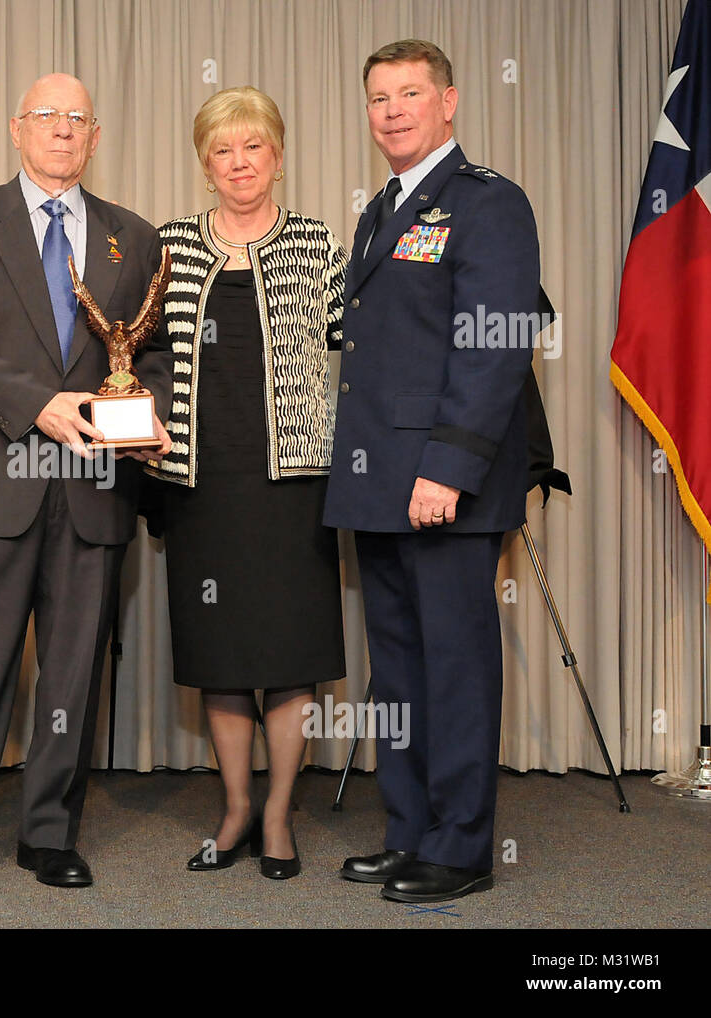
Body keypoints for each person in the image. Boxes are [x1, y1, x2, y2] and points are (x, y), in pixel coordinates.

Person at [0, 72, 172, 896]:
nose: (62, 130)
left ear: (94, 137)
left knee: (71, 670)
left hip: (94, 485)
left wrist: (151, 414)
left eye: (77, 119)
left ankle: (50, 831)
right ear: (16, 129)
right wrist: (38, 406)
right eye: (47, 116)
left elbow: (150, 350)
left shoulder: (135, 235)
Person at [324, 39, 540, 903]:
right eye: (379, 98)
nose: (393, 111)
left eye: (410, 94)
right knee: (401, 670)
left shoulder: (488, 204)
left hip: (444, 483)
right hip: (380, 482)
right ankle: (411, 831)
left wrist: (446, 468)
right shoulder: (380, 210)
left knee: (453, 665)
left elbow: (493, 347)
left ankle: (463, 845)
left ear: (448, 102)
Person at [149, 87, 348, 879]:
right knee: (221, 653)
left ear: (277, 153)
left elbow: (359, 343)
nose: (240, 163)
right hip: (201, 478)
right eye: (223, 150)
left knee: (291, 651)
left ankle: (277, 813)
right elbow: (139, 356)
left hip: (292, 478)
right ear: (205, 164)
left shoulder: (316, 242)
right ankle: (234, 808)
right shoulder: (169, 246)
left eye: (253, 147)